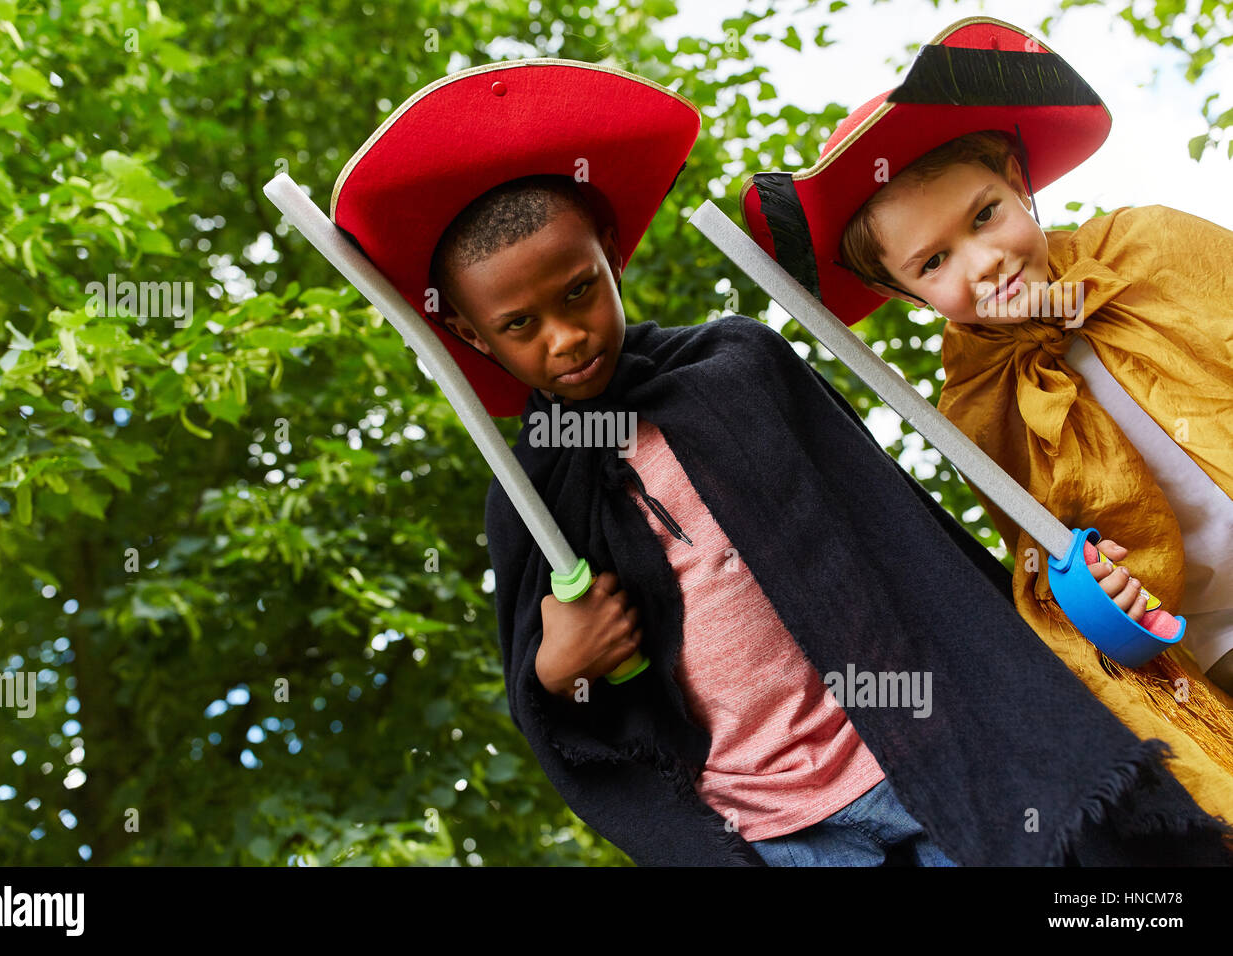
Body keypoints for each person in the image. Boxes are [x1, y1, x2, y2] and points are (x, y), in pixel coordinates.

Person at [331, 57, 1233, 866]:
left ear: (611, 260)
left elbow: (907, 539)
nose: (564, 338)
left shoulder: (738, 369)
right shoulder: (529, 488)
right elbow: (558, 703)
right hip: (774, 826)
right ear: (466, 332)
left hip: (917, 749)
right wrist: (557, 668)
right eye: (519, 326)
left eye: (579, 293)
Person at [738, 15, 1233, 825]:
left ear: (1016, 176)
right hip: (1216, 641)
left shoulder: (1155, 246)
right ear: (906, 290)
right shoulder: (974, 412)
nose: (985, 264)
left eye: (984, 215)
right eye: (934, 263)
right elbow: (1049, 566)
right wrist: (1095, 591)